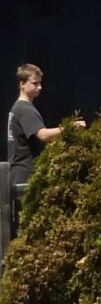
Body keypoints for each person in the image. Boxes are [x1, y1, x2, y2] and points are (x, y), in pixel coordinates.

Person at [4, 64, 82, 257]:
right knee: (26, 226)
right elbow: (43, 135)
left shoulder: (16, 109)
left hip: (17, 171)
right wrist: (70, 128)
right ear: (22, 84)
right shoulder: (25, 109)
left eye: (40, 84)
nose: (39, 88)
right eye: (34, 84)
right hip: (25, 173)